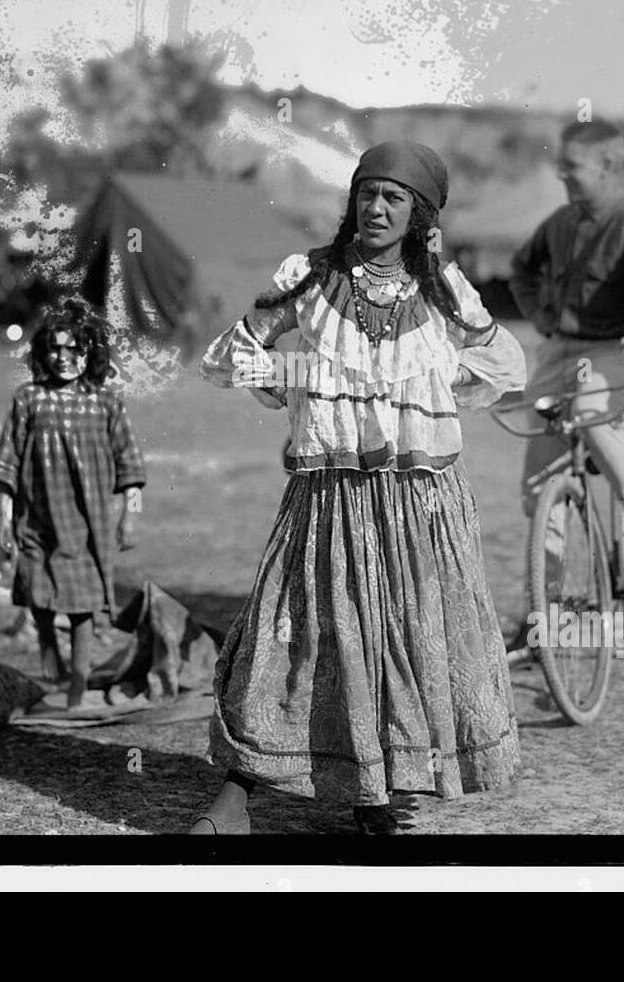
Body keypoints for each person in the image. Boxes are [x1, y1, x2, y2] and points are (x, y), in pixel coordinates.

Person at [192, 140, 528, 835]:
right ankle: (236, 798)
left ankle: (377, 798)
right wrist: (292, 376)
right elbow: (232, 356)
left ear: (419, 213)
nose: (375, 208)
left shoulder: (444, 291)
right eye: (366, 192)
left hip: (420, 503)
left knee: (404, 642)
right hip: (329, 496)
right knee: (300, 636)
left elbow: (504, 363)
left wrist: (427, 389)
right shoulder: (307, 277)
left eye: (393, 197)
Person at [508, 120, 624, 578]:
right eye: (560, 166)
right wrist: (541, 317)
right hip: (559, 351)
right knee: (537, 482)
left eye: (572, 167)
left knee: (591, 413)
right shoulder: (559, 223)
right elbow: (522, 270)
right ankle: (542, 615)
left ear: (608, 166)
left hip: (614, 351)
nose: (562, 176)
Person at [0, 303, 146, 709]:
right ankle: (45, 639)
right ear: (43, 353)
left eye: (76, 350)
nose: (65, 358)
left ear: (92, 354)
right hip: (36, 516)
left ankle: (78, 683)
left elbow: (129, 460)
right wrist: (1, 516)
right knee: (37, 591)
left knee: (82, 606)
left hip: (86, 522)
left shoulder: (106, 402)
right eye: (56, 349)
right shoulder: (29, 400)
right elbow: (8, 459)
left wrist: (130, 515)